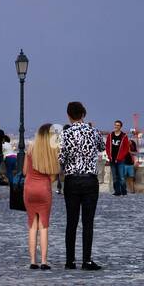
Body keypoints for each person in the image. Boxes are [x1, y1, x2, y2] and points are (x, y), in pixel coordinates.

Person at [58, 101, 102, 270]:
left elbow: (61, 159)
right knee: (88, 222)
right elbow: (101, 146)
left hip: (72, 180)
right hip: (90, 180)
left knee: (72, 221)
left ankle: (70, 260)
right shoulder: (93, 132)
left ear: (69, 115)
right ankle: (87, 260)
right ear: (83, 114)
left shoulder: (65, 134)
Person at [23, 123, 60, 269]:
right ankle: (44, 261)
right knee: (44, 226)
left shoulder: (31, 148)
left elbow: (25, 171)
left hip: (29, 188)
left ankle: (33, 261)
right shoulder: (53, 150)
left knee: (32, 226)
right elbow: (53, 176)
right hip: (44, 189)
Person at [106, 120, 133, 196]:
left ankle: (124, 191)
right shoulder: (110, 135)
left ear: (120, 127)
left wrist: (120, 157)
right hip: (112, 159)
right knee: (114, 177)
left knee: (121, 177)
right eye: (115, 125)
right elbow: (107, 146)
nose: (116, 126)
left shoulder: (124, 136)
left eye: (118, 125)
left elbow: (126, 148)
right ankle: (117, 191)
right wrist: (109, 156)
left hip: (120, 160)